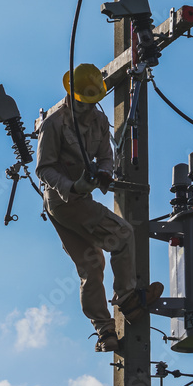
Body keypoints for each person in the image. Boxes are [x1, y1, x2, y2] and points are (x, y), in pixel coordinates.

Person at [36, 63, 162, 352]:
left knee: (91, 267)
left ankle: (105, 331)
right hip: (62, 201)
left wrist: (104, 173)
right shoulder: (54, 123)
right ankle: (128, 299)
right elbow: (43, 169)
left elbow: (106, 156)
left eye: (92, 102)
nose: (87, 108)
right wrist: (72, 187)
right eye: (83, 102)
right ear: (72, 94)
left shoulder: (98, 122)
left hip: (81, 199)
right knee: (122, 235)